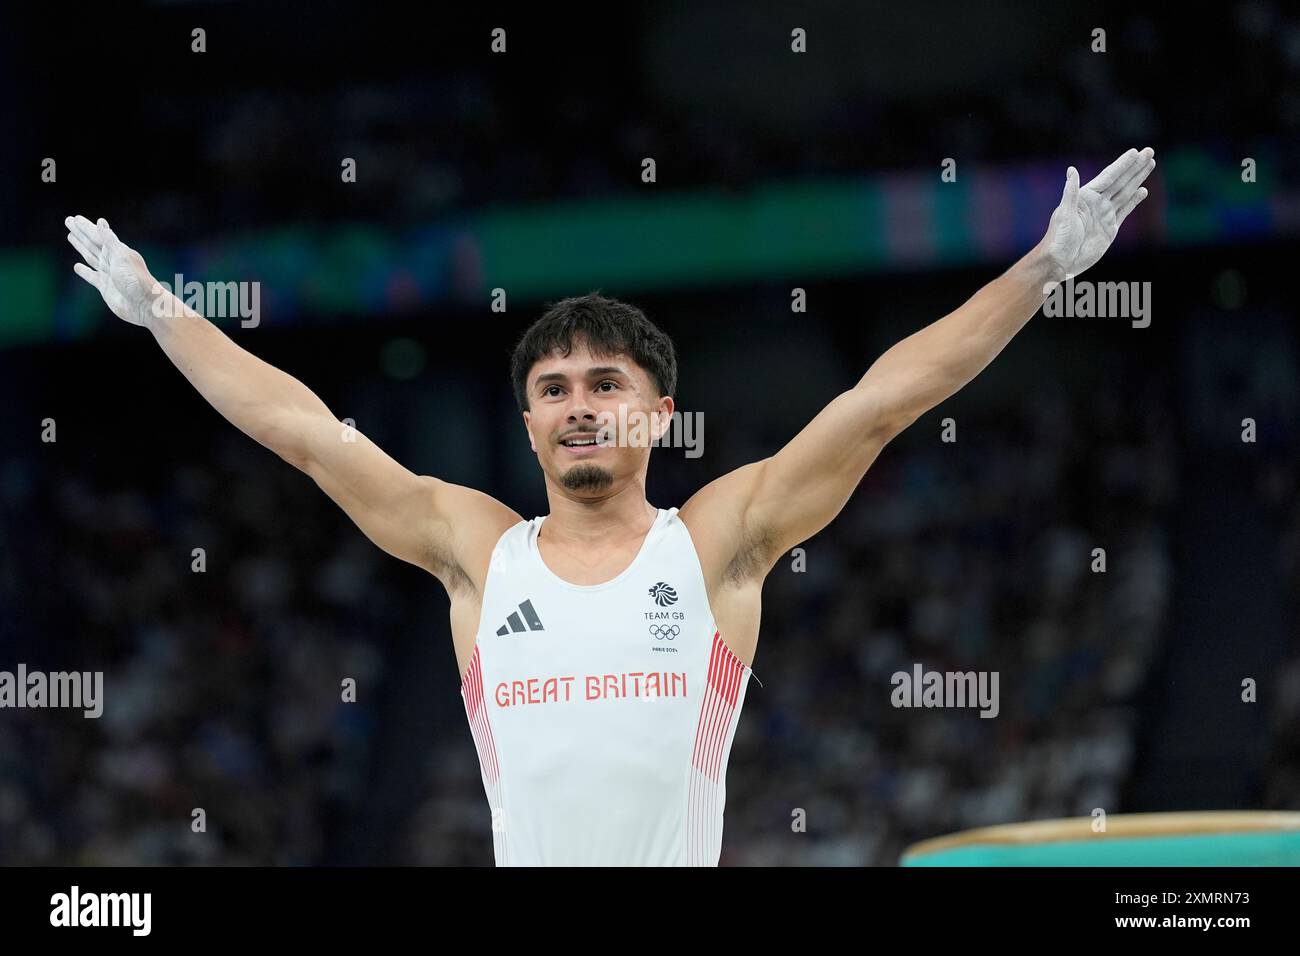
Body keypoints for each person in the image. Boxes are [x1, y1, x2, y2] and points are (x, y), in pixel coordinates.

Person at [63, 146, 1155, 865]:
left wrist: (1045, 266)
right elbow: (299, 431)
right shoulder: (475, 548)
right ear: (528, 423)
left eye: (606, 385)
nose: (579, 406)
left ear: (659, 414)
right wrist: (160, 309)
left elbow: (877, 403)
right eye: (553, 389)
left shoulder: (721, 540)